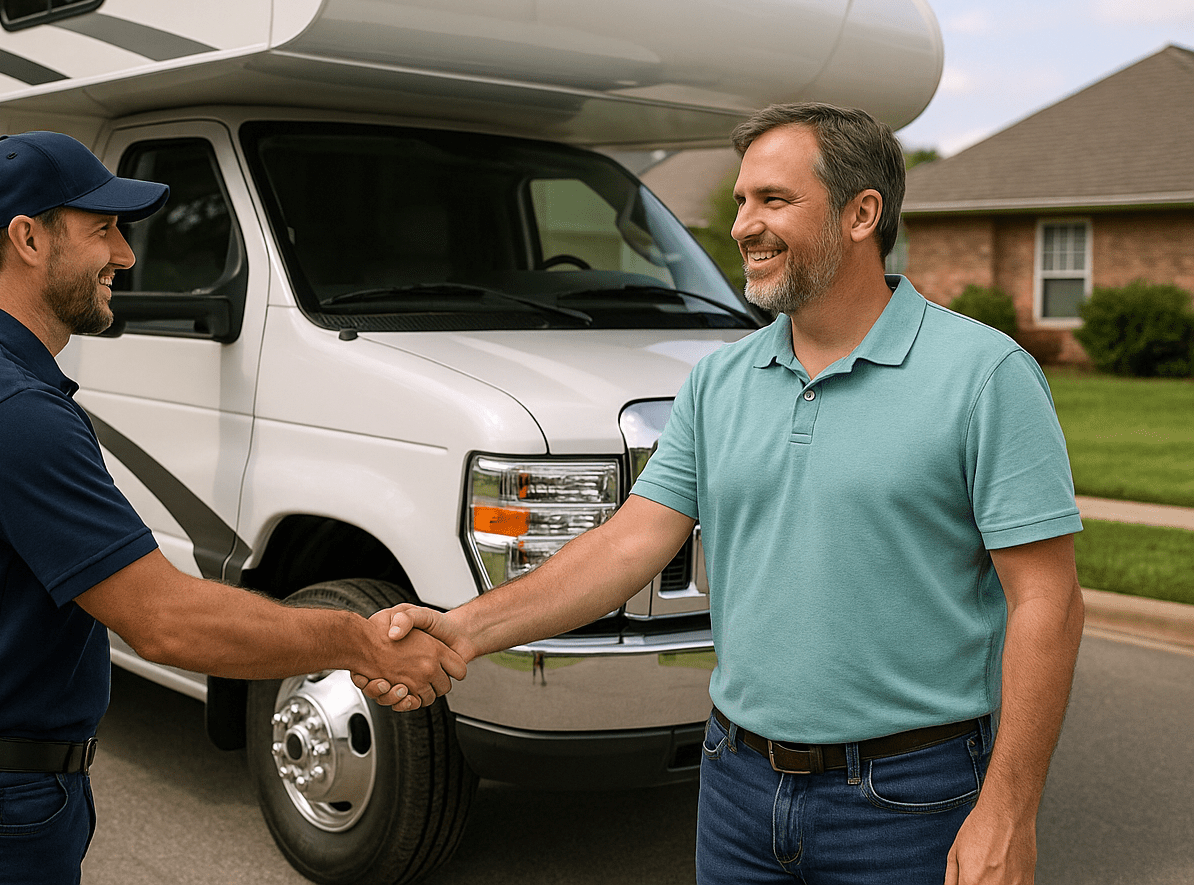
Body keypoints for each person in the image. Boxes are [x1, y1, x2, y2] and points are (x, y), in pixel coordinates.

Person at [362, 103, 1085, 885]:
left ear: (861, 213)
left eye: (774, 200)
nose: (743, 226)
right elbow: (632, 540)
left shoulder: (984, 376)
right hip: (738, 784)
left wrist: (1010, 808)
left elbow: (1048, 599)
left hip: (910, 797)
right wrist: (463, 630)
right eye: (742, 202)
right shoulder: (718, 380)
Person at [0, 131, 463, 885]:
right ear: (28, 238)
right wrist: (360, 641)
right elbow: (165, 619)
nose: (126, 255)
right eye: (102, 229)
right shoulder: (6, 403)